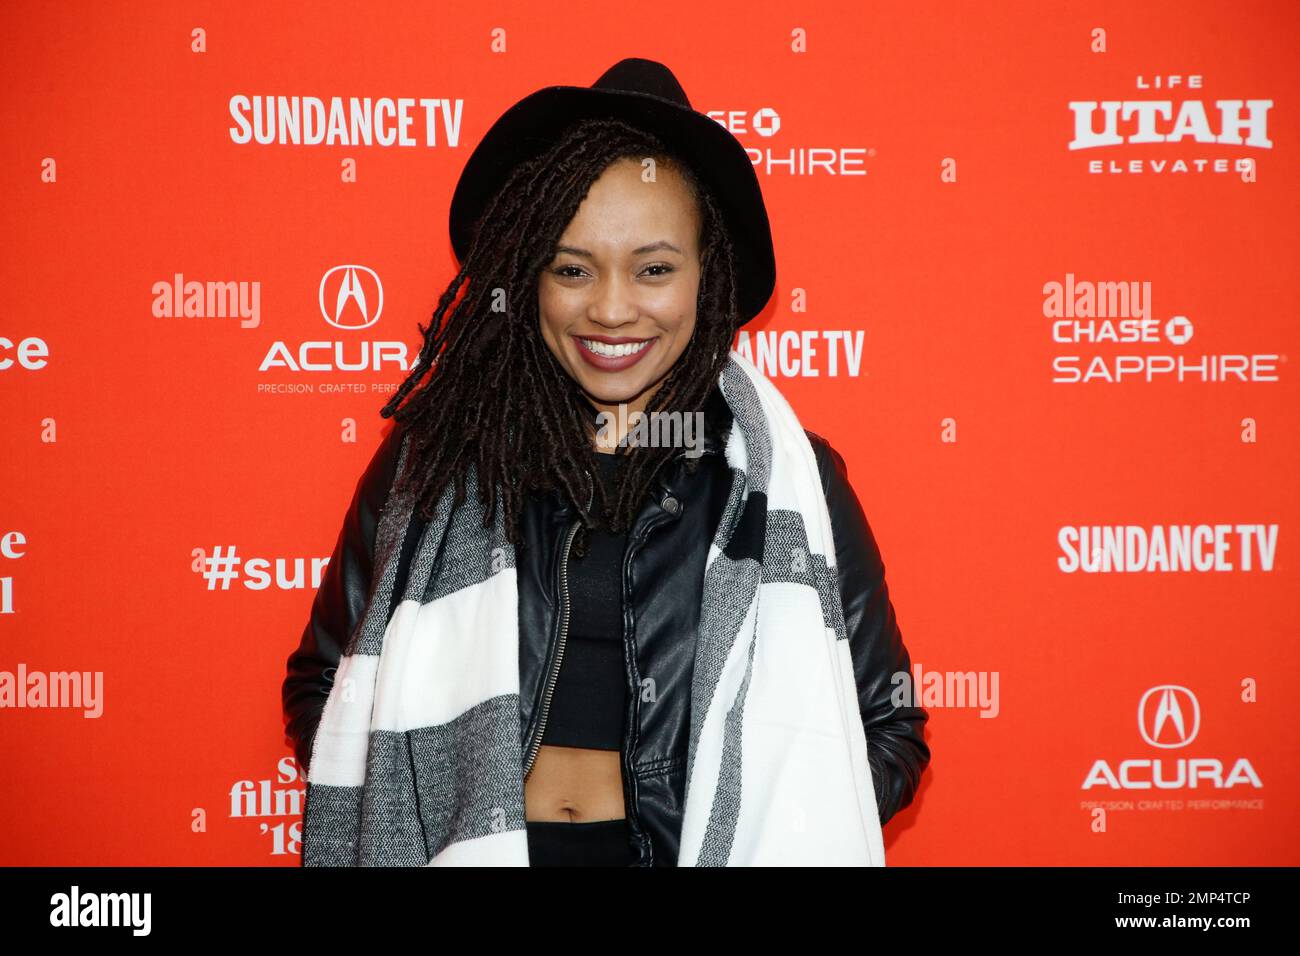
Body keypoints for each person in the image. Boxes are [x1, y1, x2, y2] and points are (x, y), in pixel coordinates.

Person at [281, 57, 929, 867]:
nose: (612, 308)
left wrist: (753, 828)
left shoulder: (787, 476)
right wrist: (421, 818)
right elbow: (326, 686)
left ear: (708, 277)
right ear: (529, 277)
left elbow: (887, 727)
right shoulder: (438, 456)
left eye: (654, 268)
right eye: (571, 268)